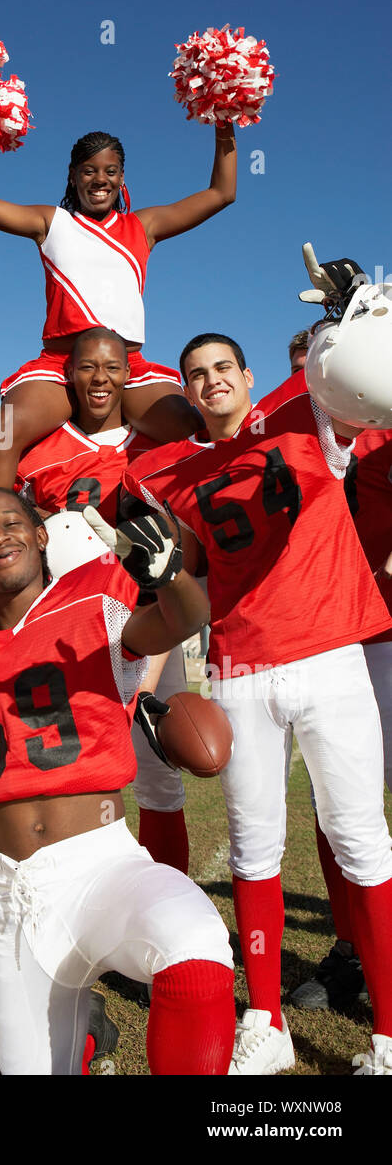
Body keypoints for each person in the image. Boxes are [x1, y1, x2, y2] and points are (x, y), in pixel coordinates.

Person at [0, 488, 236, 1076]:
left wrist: (171, 576)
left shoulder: (93, 607)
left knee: (194, 945)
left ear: (42, 536)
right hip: (13, 897)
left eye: (13, 522)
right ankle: (88, 1033)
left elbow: (185, 617)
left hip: (104, 867)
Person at [122, 333, 392, 1075]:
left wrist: (354, 317)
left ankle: (389, 1037)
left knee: (361, 839)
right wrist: (159, 569)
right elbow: (191, 581)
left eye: (221, 369)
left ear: (247, 376)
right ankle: (266, 1020)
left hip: (332, 652)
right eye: (195, 374)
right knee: (253, 846)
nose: (209, 381)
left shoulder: (308, 418)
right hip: (241, 668)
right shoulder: (172, 474)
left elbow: (369, 373)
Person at [0, 122, 236, 498]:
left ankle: (212, 538)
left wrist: (223, 119)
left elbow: (222, 193)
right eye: (88, 171)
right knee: (7, 430)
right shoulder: (50, 222)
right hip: (60, 364)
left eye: (110, 171)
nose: (99, 179)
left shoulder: (143, 225)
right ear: (72, 177)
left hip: (130, 365)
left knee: (192, 430)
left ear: (122, 178)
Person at [15, 326, 190, 874]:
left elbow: (182, 548)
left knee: (161, 781)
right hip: (69, 637)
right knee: (65, 779)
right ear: (68, 373)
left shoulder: (161, 448)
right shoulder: (38, 454)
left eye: (113, 368)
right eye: (88, 366)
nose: (100, 378)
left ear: (128, 375)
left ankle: (165, 914)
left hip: (150, 626)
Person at [290, 422, 392, 1012]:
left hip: (385, 629)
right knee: (334, 804)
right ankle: (354, 947)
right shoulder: (301, 445)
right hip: (331, 640)